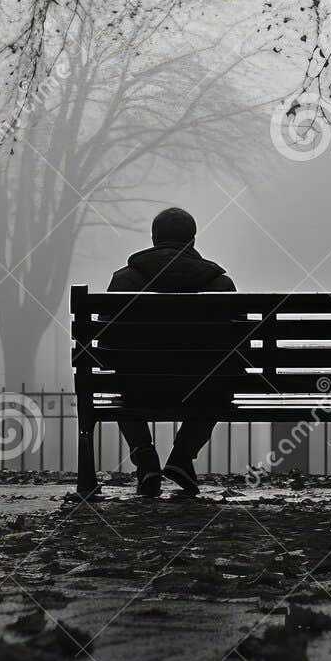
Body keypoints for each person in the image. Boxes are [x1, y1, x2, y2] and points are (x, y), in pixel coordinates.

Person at [107, 207, 235, 498]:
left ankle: (145, 458)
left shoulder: (124, 282)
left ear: (154, 239)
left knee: (120, 382)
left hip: (139, 388)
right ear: (192, 240)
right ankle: (182, 455)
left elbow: (106, 346)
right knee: (221, 382)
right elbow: (237, 347)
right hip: (201, 391)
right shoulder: (219, 284)